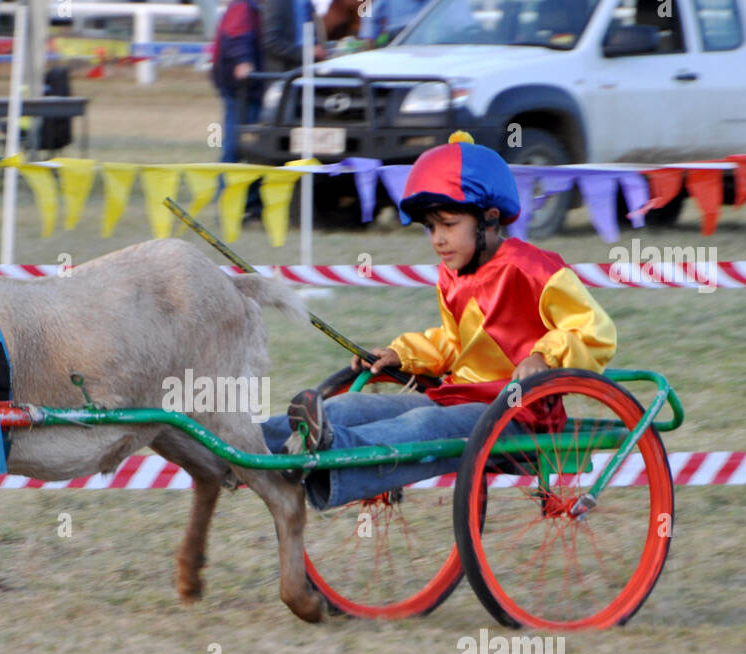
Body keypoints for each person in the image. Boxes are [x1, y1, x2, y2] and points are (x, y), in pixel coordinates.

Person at [262, 131, 617, 511]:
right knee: (347, 408)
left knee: (421, 428)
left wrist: (544, 356)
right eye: (431, 227)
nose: (437, 239)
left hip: (517, 413)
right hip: (456, 400)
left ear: (489, 218)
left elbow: (596, 332)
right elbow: (453, 344)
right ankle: (246, 443)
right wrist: (402, 354)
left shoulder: (535, 269)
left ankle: (327, 453)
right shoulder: (453, 276)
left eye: (447, 224)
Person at [212, 0, 265, 219]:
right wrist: (243, 61)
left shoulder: (253, 7)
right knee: (235, 148)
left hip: (253, 88)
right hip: (242, 89)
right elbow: (237, 36)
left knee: (251, 148)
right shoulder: (243, 6)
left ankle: (247, 205)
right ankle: (227, 205)